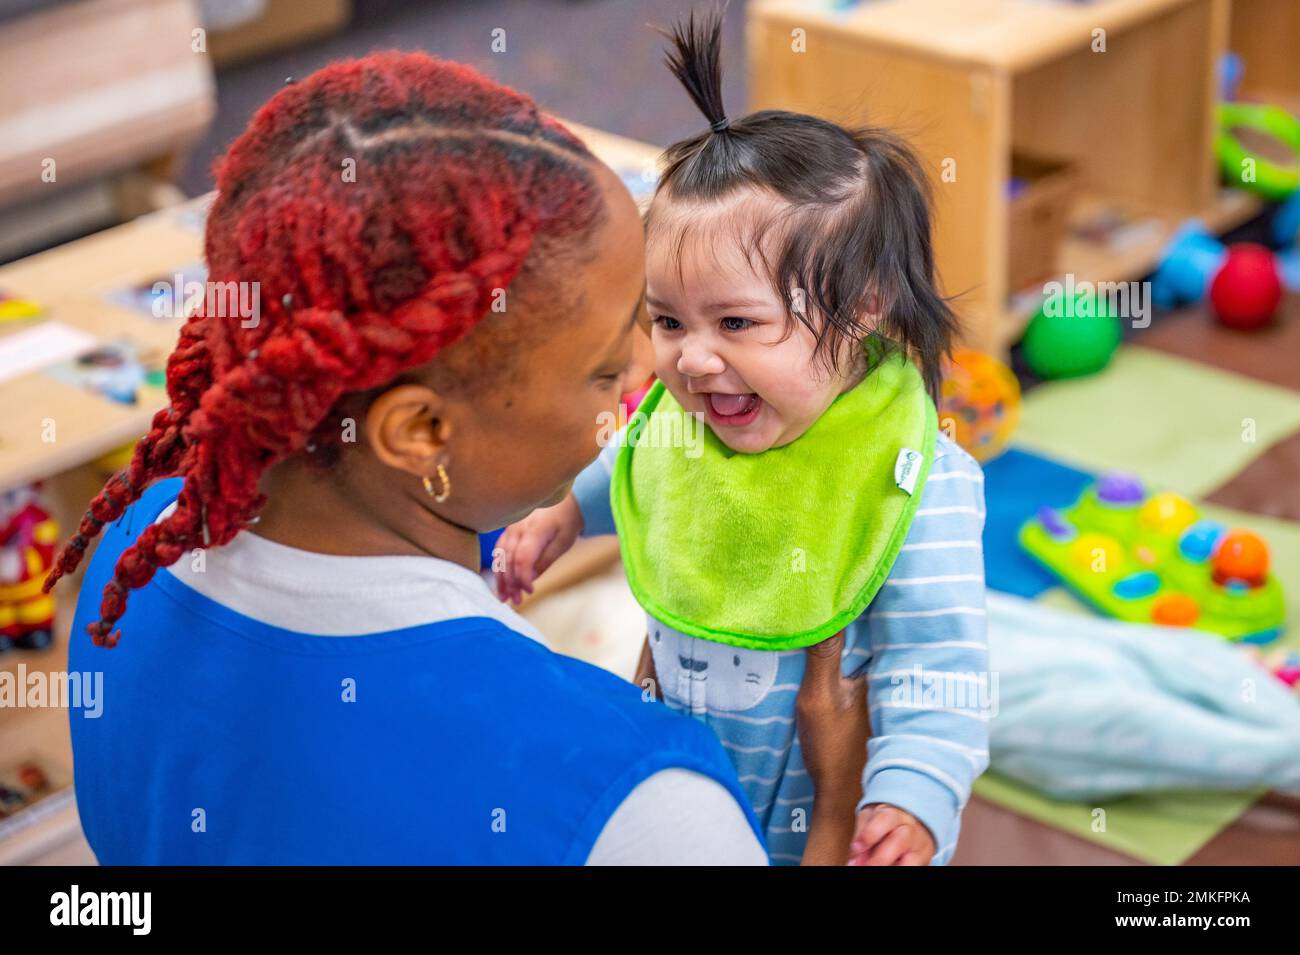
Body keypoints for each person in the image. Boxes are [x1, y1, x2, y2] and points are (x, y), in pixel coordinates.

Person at [45, 51, 865, 865]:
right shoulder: (641, 806)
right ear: (420, 433)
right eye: (607, 371)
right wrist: (835, 802)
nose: (659, 373)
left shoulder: (131, 551)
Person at [497, 11, 991, 866]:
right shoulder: (689, 422)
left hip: (824, 802)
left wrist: (910, 797)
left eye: (736, 321)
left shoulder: (914, 477)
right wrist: (566, 516)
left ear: (864, 308)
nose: (693, 359)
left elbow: (941, 664)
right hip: (687, 780)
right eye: (665, 319)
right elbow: (634, 464)